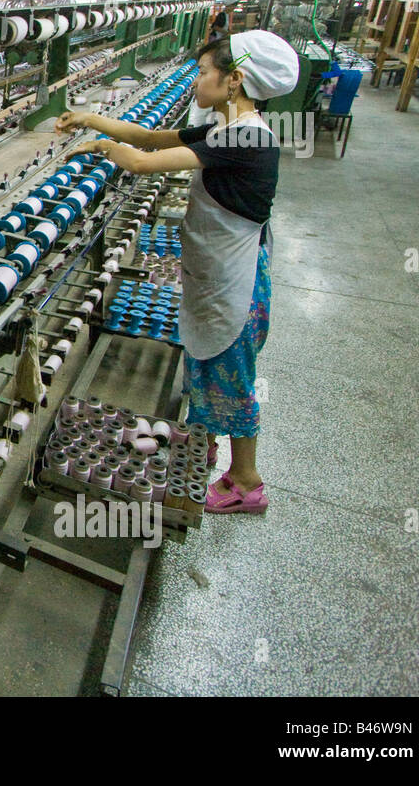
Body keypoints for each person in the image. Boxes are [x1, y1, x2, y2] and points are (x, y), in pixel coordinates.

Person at [54, 29, 299, 515]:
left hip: (237, 279)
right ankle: (204, 446)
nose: (195, 79)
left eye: (203, 72)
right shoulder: (228, 128)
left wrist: (101, 148)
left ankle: (246, 482)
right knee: (208, 369)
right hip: (220, 269)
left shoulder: (245, 138)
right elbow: (147, 136)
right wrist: (91, 120)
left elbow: (143, 161)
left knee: (231, 377)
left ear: (235, 80)